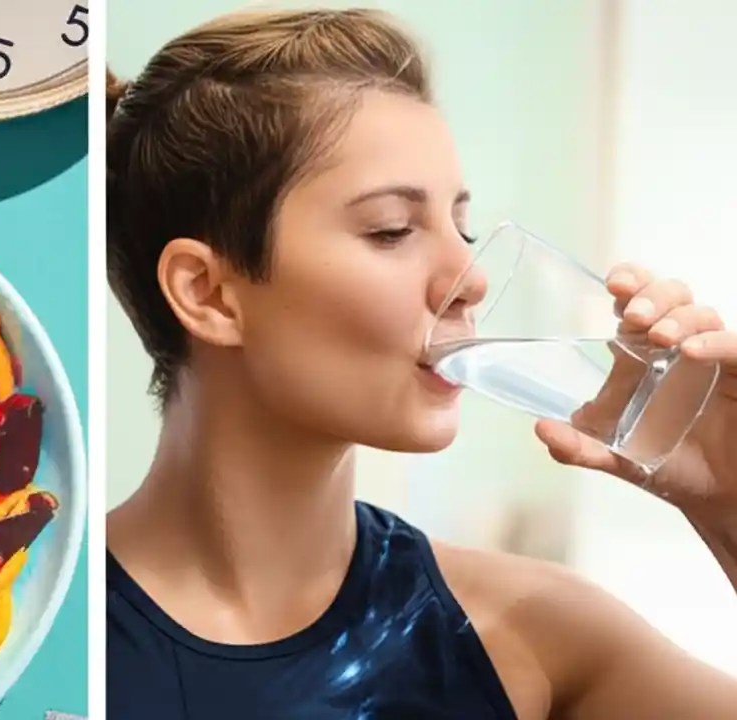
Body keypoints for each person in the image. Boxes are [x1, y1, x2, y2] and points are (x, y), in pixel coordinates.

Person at [105, 8, 737, 719]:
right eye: (392, 230)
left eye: (462, 227)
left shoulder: (527, 638)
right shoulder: (34, 630)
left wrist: (727, 505)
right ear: (208, 293)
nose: (472, 278)